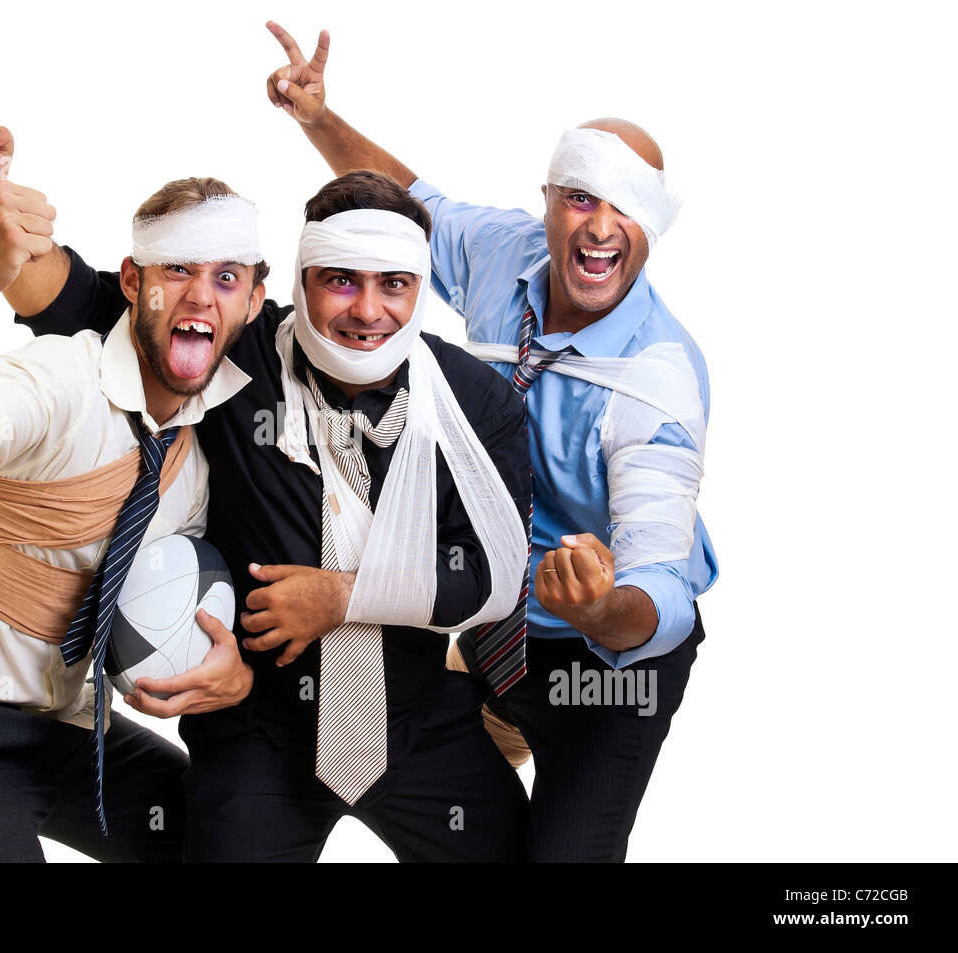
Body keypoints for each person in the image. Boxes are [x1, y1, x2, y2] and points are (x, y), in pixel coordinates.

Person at [0, 115, 536, 862]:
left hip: (417, 721)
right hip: (259, 728)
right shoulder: (236, 349)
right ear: (295, 282)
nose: (366, 309)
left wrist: (343, 595)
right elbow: (85, 303)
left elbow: (492, 574)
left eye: (394, 285)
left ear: (420, 289)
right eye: (339, 281)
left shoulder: (479, 405)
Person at [264, 22, 718, 861]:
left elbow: (660, 580)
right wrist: (317, 118)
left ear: (653, 228)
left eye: (627, 207)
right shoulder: (503, 249)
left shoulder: (660, 380)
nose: (599, 226)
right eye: (581, 197)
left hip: (605, 666)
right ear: (547, 198)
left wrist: (601, 610)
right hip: (486, 621)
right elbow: (409, 202)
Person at [0, 141, 268, 861]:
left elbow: (160, 603)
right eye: (178, 270)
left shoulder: (192, 467)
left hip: (68, 729)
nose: (201, 294)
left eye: (226, 277)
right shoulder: (66, 380)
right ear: (133, 282)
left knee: (236, 839)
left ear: (254, 303)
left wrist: (230, 674)